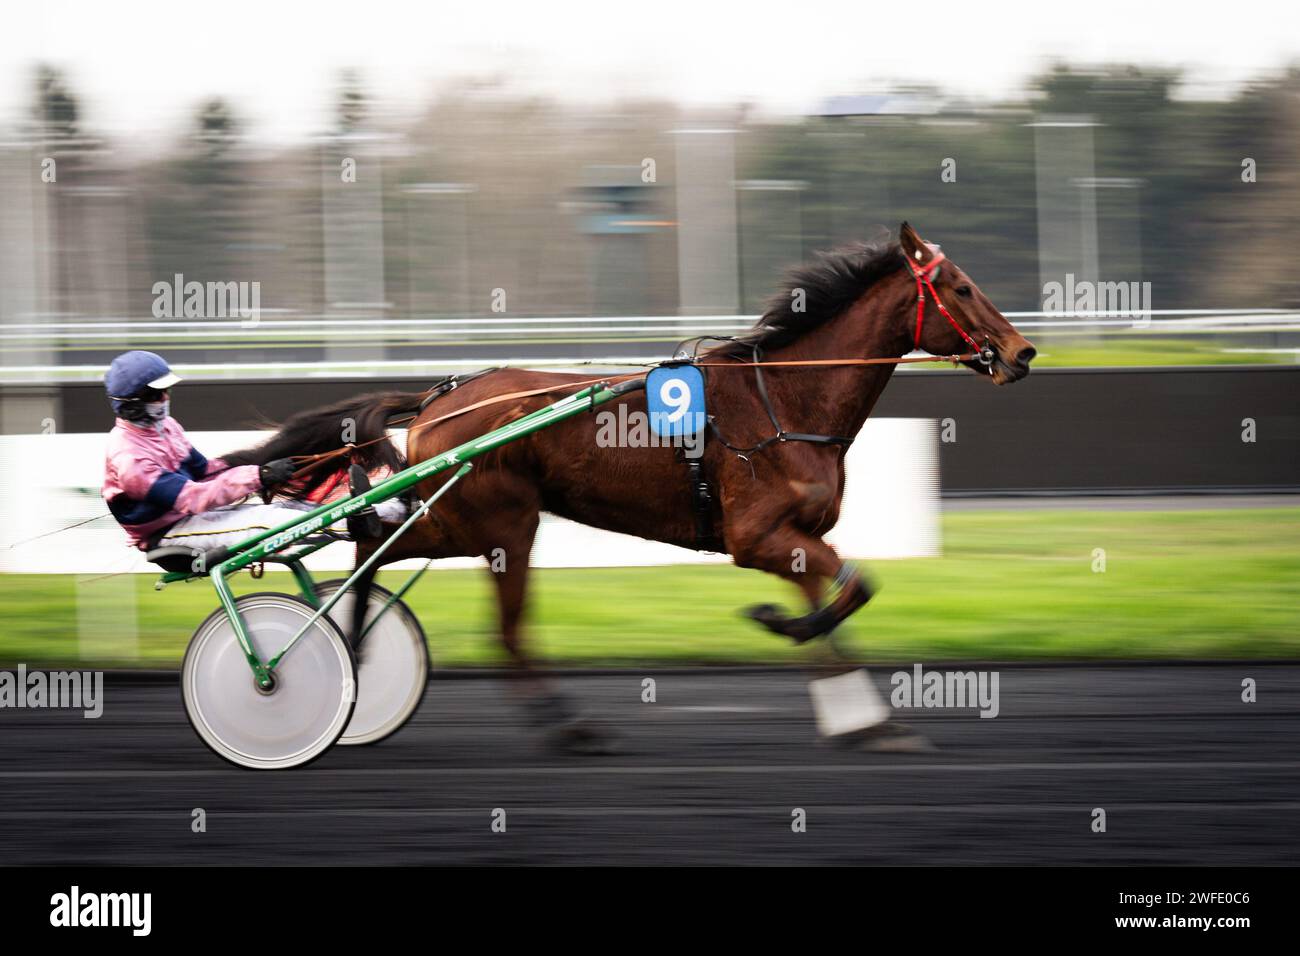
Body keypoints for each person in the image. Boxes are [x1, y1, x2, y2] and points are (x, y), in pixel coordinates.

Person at [100, 350, 404, 556]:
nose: (164, 398)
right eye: (155, 394)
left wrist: (263, 469)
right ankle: (356, 524)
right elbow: (191, 497)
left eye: (166, 391)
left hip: (196, 516)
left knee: (294, 509)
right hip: (167, 533)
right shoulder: (129, 459)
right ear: (131, 403)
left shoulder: (166, 427)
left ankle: (392, 511)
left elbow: (206, 472)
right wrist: (258, 476)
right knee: (268, 522)